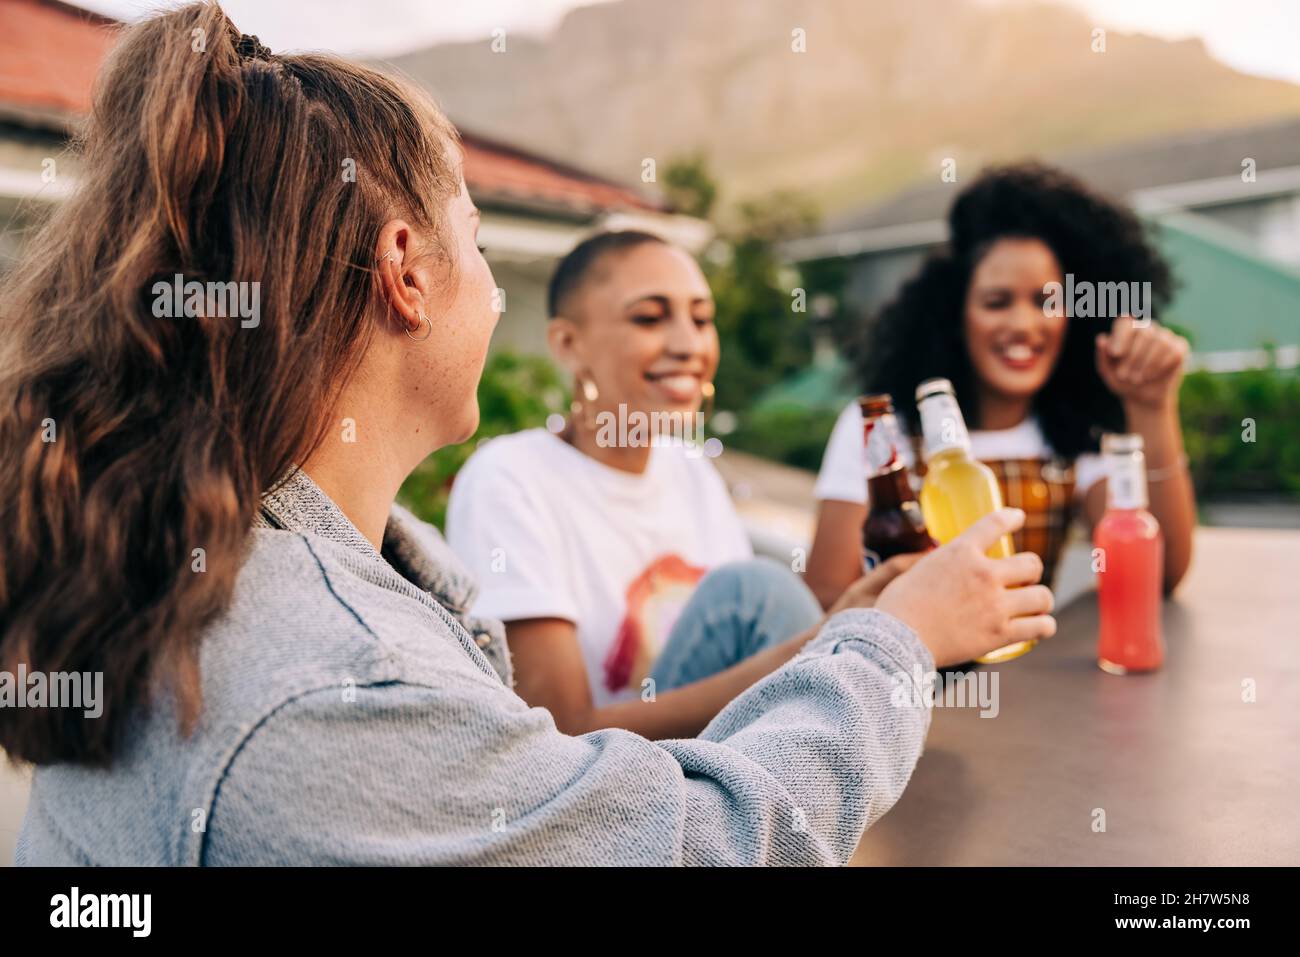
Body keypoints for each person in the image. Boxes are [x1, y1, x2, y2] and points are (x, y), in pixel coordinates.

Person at [1, 4, 1053, 867]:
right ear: (406, 272)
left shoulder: (285, 563)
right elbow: (708, 846)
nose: (493, 291)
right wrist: (896, 645)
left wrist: (853, 632)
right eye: (478, 243)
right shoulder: (329, 683)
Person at [448, 231, 922, 739]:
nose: (688, 345)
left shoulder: (690, 469)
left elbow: (741, 656)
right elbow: (564, 731)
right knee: (756, 590)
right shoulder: (510, 478)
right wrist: (818, 642)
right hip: (613, 788)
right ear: (569, 344)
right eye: (650, 317)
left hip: (715, 763)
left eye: (701, 319)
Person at [805, 163, 1196, 609]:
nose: (1023, 325)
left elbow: (1159, 576)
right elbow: (827, 599)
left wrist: (1153, 406)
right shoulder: (879, 427)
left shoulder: (1076, 435)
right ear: (955, 315)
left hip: (1022, 673)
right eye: (997, 302)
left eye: (1046, 301)